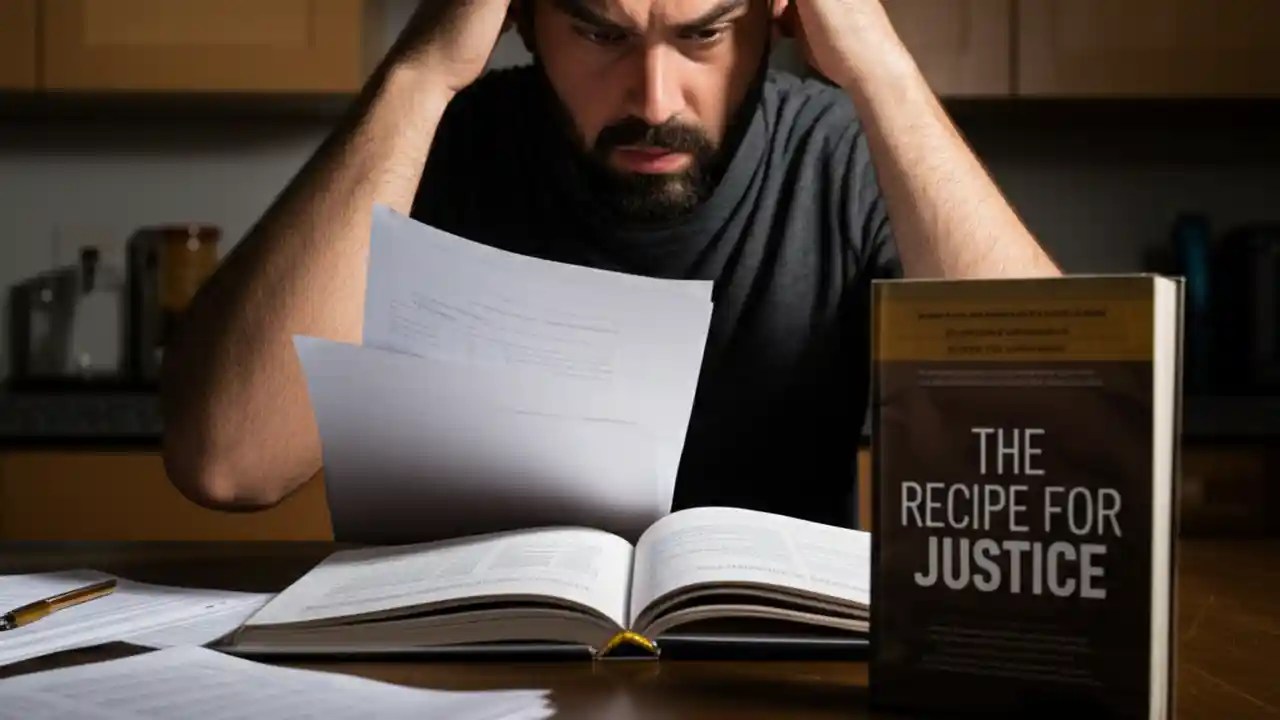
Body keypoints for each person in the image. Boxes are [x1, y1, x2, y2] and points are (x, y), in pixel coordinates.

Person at [161, 0, 1060, 529]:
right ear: (518, 15)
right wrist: (420, 72)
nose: (655, 101)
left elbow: (1063, 436)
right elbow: (230, 464)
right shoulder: (432, 148)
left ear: (781, 18)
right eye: (600, 34)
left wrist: (880, 68)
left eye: (705, 35)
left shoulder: (844, 156)